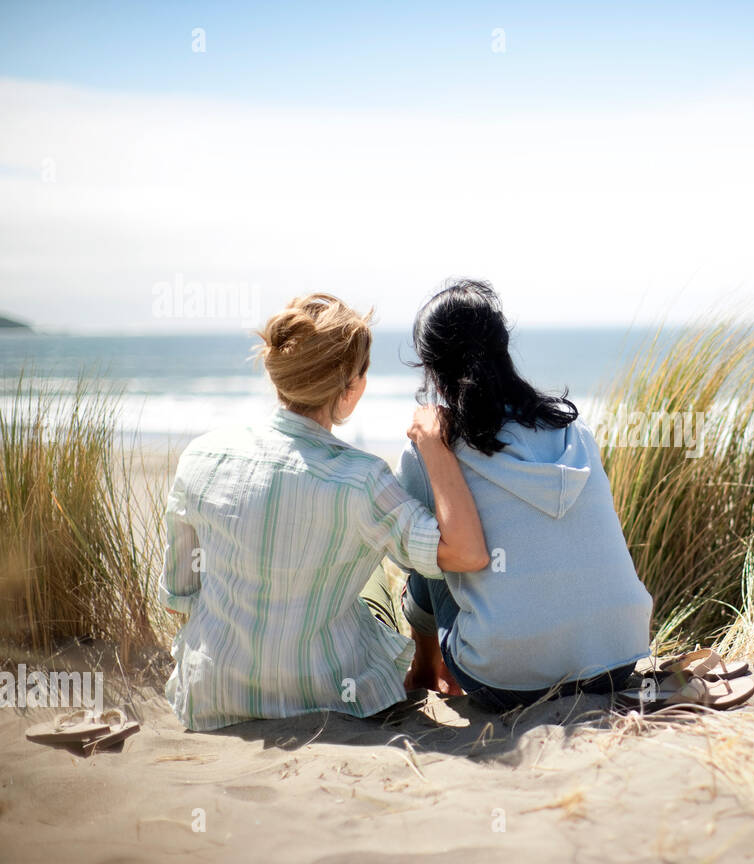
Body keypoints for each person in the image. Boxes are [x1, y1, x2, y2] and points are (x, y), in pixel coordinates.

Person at [160, 293, 488, 731]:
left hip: (212, 696)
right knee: (378, 569)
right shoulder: (363, 479)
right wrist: (434, 445)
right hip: (330, 695)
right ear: (350, 391)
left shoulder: (201, 456)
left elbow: (179, 597)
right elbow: (466, 554)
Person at [396, 279, 652, 711]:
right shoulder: (575, 431)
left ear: (431, 367)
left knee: (431, 545)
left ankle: (426, 666)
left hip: (505, 680)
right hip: (617, 662)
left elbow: (411, 558)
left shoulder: (432, 450)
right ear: (502, 346)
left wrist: (431, 452)